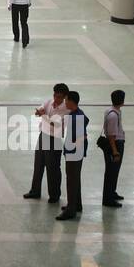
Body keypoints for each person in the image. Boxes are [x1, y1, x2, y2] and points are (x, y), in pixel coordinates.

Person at [23, 82, 69, 203]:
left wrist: (43, 116)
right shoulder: (49, 102)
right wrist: (39, 111)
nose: (56, 98)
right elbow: (41, 109)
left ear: (64, 97)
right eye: (55, 95)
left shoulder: (65, 109)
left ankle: (54, 195)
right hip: (43, 135)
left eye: (59, 96)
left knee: (52, 167)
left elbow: (56, 124)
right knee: (38, 165)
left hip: (55, 139)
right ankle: (35, 191)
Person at [56, 90, 87, 221]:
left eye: (66, 99)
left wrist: (72, 147)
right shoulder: (78, 114)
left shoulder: (75, 118)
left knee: (71, 181)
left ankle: (71, 210)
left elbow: (81, 137)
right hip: (76, 153)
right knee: (75, 179)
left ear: (71, 101)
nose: (64, 102)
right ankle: (76, 204)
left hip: (74, 154)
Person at [100, 89, 125, 208]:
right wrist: (115, 152)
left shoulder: (111, 110)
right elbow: (111, 136)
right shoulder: (113, 116)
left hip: (116, 143)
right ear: (122, 101)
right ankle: (108, 199)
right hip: (114, 145)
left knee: (114, 171)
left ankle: (112, 192)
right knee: (111, 172)